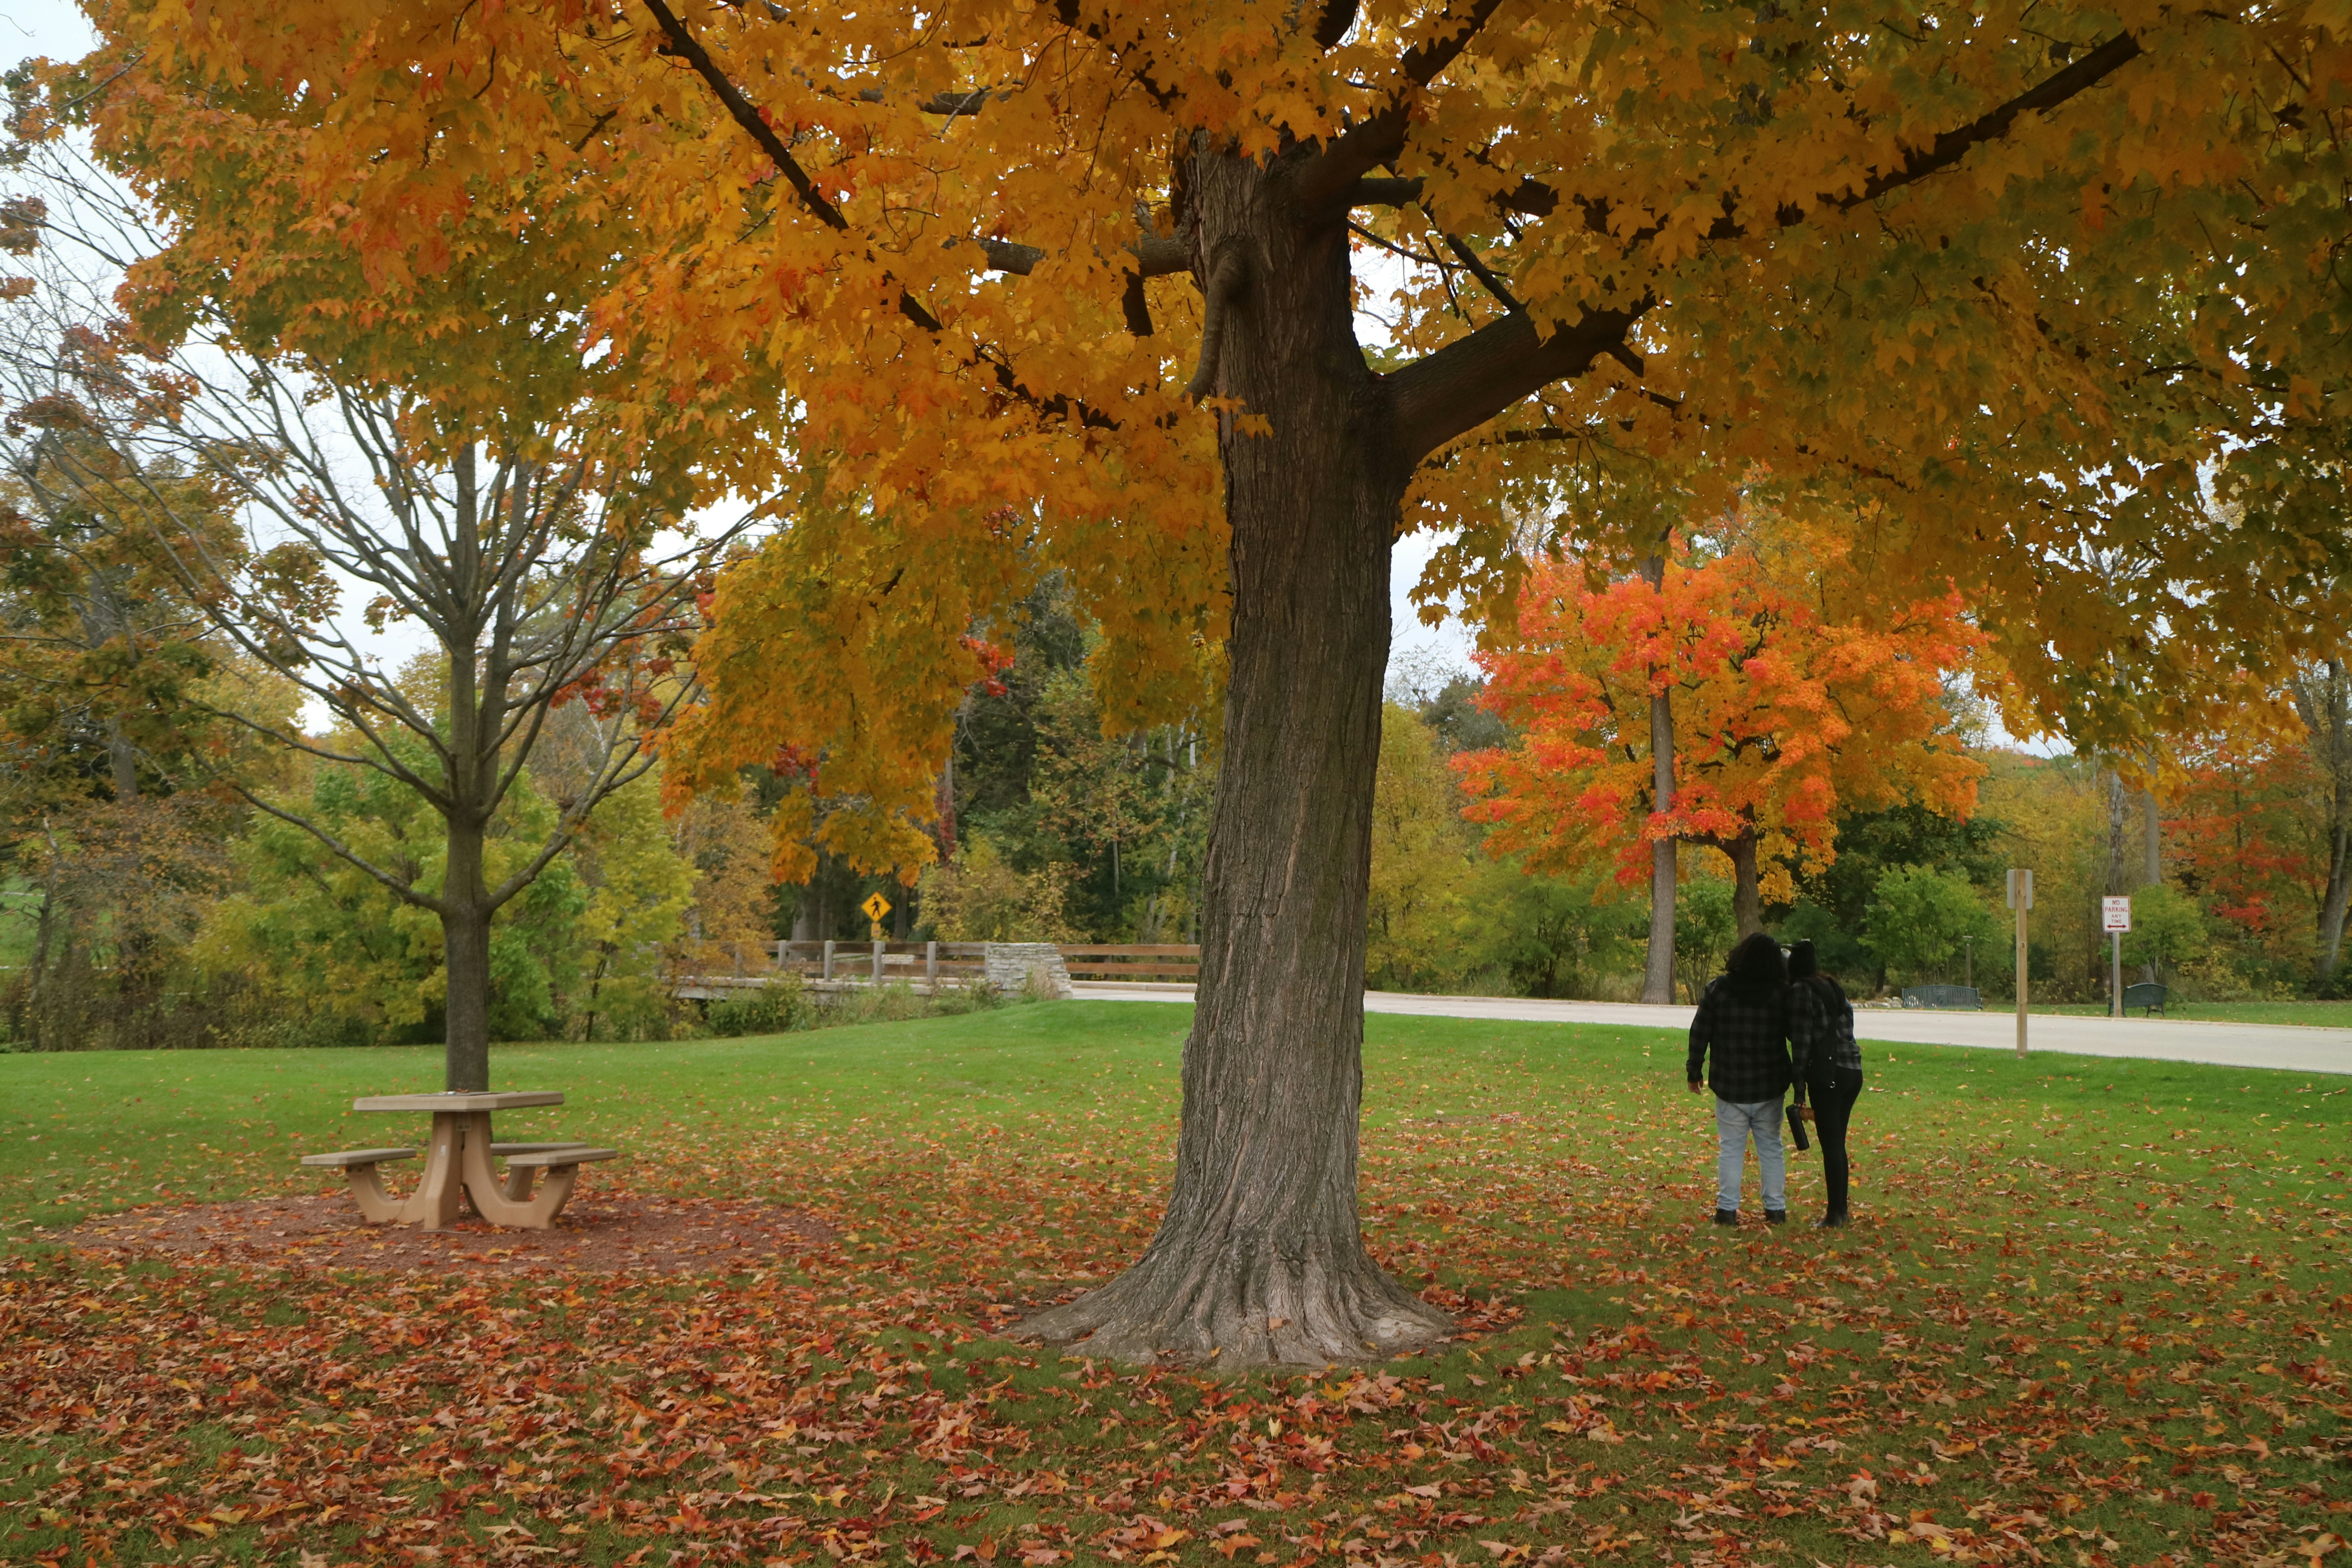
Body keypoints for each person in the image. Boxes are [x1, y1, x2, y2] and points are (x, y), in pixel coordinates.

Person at [1686, 931, 1793, 1226]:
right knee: (1771, 1147)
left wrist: (1694, 1071)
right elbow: (1796, 1037)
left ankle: (1727, 1210)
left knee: (1731, 1148)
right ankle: (1775, 1210)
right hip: (1770, 1084)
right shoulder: (1781, 994)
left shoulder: (1718, 990)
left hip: (1730, 1083)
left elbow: (1700, 1033)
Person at [1787, 938, 1863, 1229]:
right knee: (1838, 1142)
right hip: (1852, 1068)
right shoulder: (1832, 986)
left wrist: (1799, 1088)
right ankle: (1840, 1210)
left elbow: (1802, 1042)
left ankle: (1836, 1214)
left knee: (1831, 1144)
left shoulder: (1800, 992)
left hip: (1827, 1073)